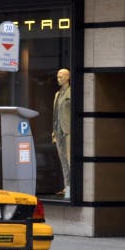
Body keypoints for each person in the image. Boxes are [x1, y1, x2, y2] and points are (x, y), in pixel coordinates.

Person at [52, 68, 72, 199]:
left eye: (61, 76)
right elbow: (54, 115)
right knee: (63, 162)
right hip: (58, 132)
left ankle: (73, 188)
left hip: (68, 131)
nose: (58, 79)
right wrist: (53, 132)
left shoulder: (71, 92)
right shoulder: (57, 94)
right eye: (58, 76)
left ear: (67, 77)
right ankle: (68, 187)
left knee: (71, 161)